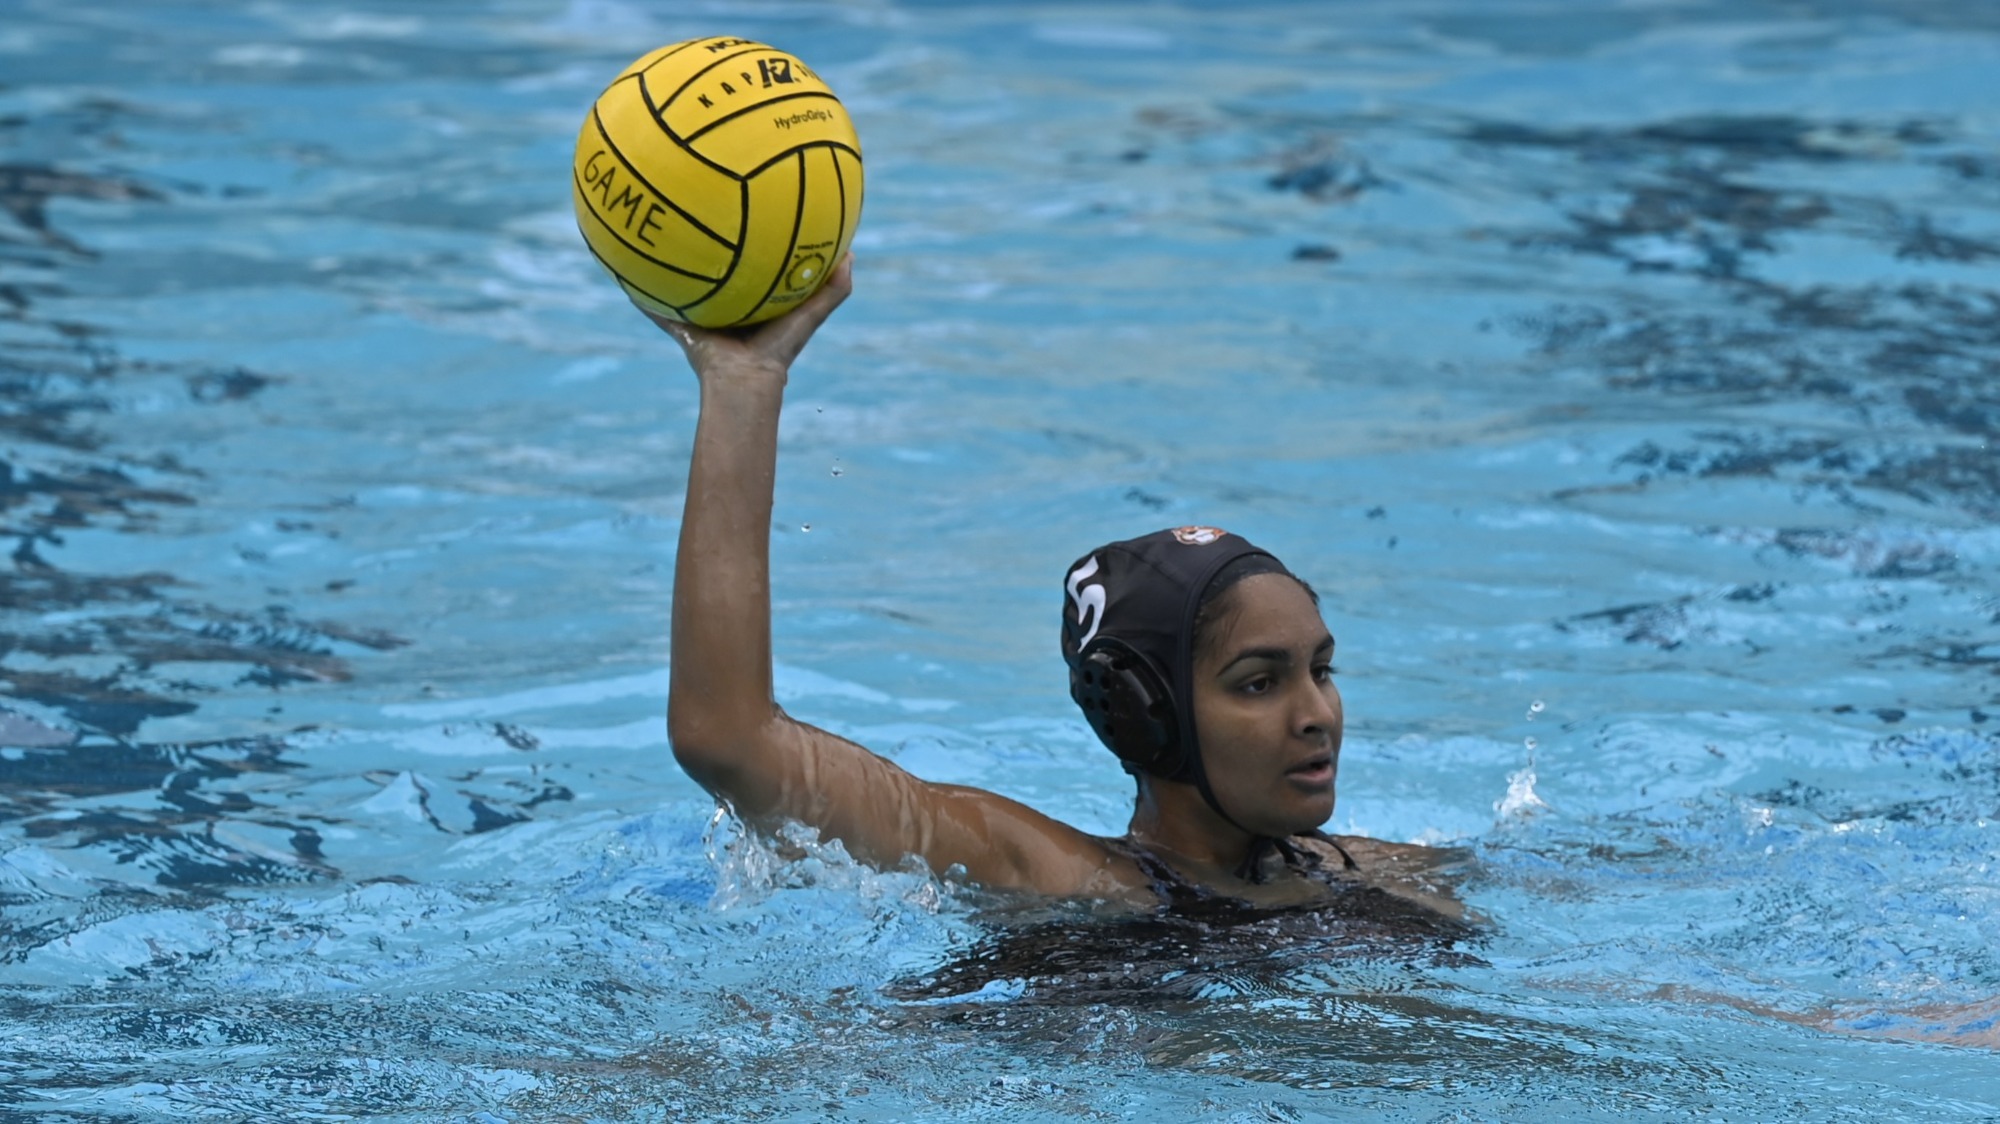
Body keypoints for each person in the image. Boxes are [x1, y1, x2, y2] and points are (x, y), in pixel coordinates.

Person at [652, 256, 1462, 918]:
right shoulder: (1054, 876)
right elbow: (726, 736)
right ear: (1146, 716)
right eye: (1258, 683)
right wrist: (744, 384)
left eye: (1322, 670)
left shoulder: (1383, 876)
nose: (1317, 715)